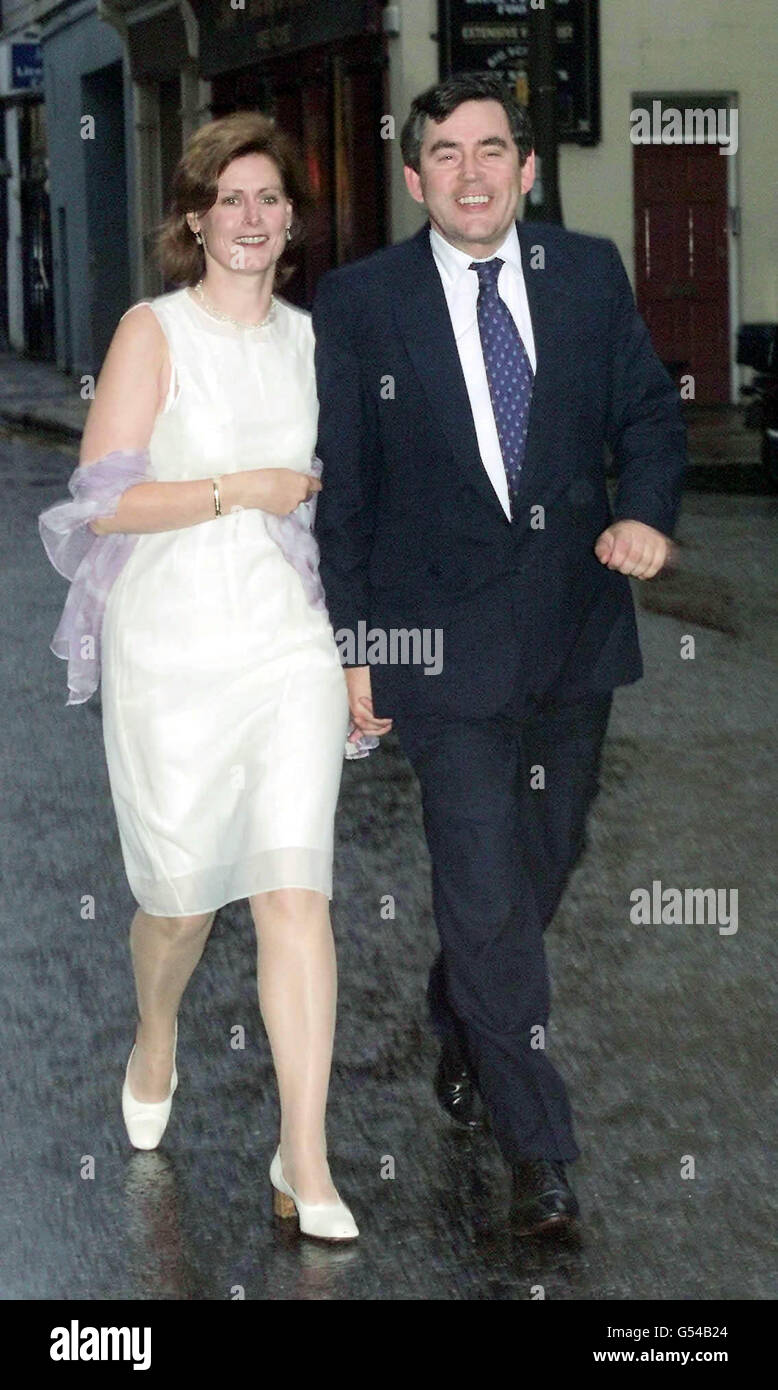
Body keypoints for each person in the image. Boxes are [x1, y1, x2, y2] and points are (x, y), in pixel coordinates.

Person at [312, 72, 686, 1236]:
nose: (470, 174)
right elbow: (349, 493)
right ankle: (541, 1155)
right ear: (414, 175)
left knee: (543, 863)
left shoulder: (584, 274)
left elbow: (648, 416)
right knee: (482, 893)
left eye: (492, 151)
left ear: (526, 168)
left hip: (574, 634)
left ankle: (462, 1011)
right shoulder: (361, 302)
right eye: (445, 155)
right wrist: (359, 646)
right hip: (441, 658)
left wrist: (650, 515)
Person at [39, 112, 359, 1242]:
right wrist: (241, 489)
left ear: (291, 222)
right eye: (228, 199)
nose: (250, 218)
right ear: (193, 217)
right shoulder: (151, 330)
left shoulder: (321, 340)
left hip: (286, 644)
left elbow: (356, 506)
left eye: (269, 199)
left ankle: (305, 1155)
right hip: (170, 644)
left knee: (293, 890)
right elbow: (100, 498)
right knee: (179, 901)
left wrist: (362, 652)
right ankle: (158, 1028)